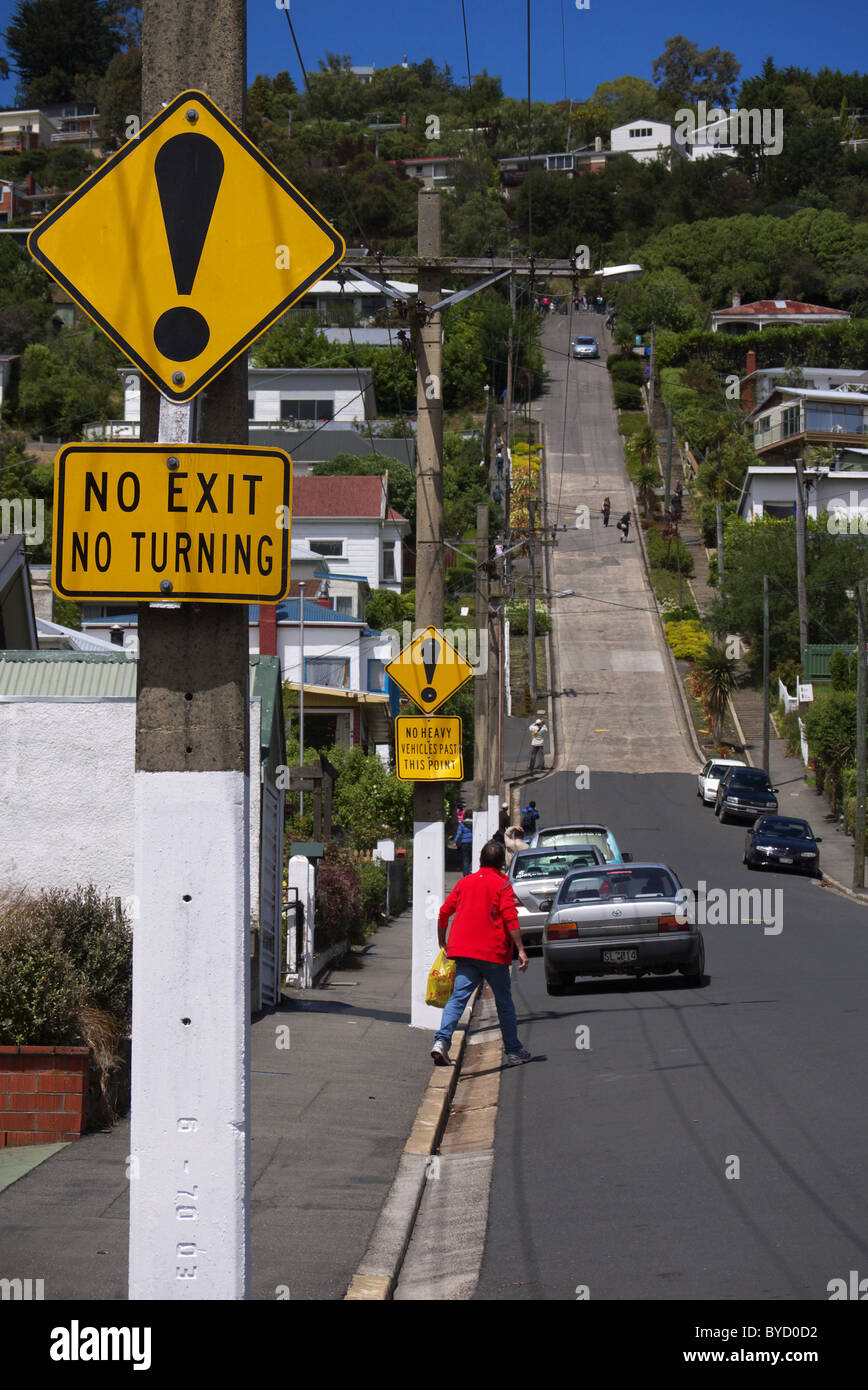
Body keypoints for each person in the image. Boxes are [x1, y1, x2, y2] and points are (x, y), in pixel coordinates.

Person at [431, 840, 531, 1068]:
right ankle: (514, 1051)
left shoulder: (465, 883)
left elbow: (444, 912)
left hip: (464, 953)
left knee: (457, 999)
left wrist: (441, 941)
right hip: (493, 954)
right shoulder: (503, 886)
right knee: (504, 1002)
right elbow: (510, 918)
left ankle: (441, 1041)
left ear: (480, 860)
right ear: (501, 863)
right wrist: (521, 949)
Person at [454, 809, 473, 875]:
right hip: (472, 842)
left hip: (464, 843)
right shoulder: (474, 823)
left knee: (465, 859)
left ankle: (465, 875)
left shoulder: (462, 823)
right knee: (472, 859)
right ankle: (471, 872)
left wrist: (455, 841)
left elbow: (459, 833)